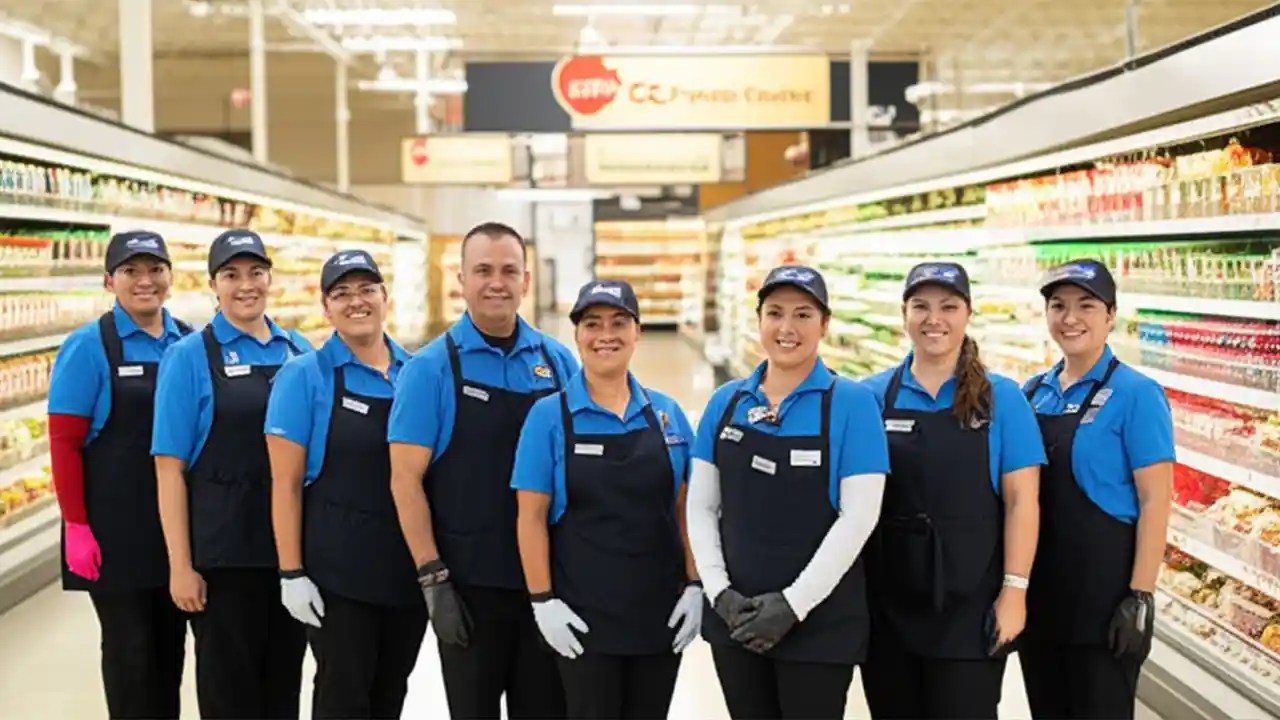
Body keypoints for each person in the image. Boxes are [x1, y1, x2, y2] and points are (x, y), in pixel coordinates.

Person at [388, 222, 579, 719]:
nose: (497, 282)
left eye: (509, 271)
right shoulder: (430, 369)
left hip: (547, 584)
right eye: (483, 270)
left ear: (526, 281)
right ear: (462, 280)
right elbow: (405, 481)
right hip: (469, 587)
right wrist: (434, 581)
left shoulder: (557, 363)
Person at [687, 265, 889, 720]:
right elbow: (701, 507)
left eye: (802, 315)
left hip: (820, 623)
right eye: (775, 313)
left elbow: (859, 517)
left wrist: (793, 604)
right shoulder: (727, 403)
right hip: (735, 618)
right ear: (759, 320)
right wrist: (719, 592)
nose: (787, 328)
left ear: (824, 325)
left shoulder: (851, 404)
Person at [511, 279, 703, 719]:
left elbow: (685, 508)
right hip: (582, 619)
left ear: (637, 332)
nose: (606, 334)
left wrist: (695, 586)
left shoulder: (667, 414)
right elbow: (531, 518)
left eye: (620, 322)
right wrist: (542, 601)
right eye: (592, 323)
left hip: (659, 615)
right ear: (576, 334)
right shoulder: (549, 417)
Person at [859, 261, 1043, 720]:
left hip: (971, 605)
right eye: (920, 306)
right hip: (888, 605)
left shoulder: (1003, 398)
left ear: (967, 314)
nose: (933, 318)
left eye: (948, 306)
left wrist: (1014, 593)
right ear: (904, 314)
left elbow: (1023, 502)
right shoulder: (870, 397)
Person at [151, 229, 313, 720]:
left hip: (290, 554)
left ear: (269, 278)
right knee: (229, 693)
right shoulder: (188, 357)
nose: (246, 285)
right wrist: (181, 564)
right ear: (212, 285)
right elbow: (169, 470)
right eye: (231, 275)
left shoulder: (298, 350)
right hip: (223, 557)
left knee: (283, 685)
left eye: (256, 273)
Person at [265, 250, 425, 719]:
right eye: (342, 293)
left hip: (404, 570)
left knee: (391, 690)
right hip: (338, 573)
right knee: (343, 694)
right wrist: (291, 572)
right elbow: (286, 484)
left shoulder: (417, 373)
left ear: (384, 297)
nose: (357, 302)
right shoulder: (303, 376)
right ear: (326, 306)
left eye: (366, 290)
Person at [47, 230, 193, 719]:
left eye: (155, 269)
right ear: (110, 280)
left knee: (171, 651)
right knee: (131, 654)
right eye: (131, 271)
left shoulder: (190, 342)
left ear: (171, 278)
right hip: (113, 532)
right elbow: (65, 443)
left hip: (176, 532)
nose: (145, 280)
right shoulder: (88, 347)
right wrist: (76, 525)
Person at [1019, 259, 1173, 720]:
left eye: (1086, 305)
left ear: (1110, 316)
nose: (1070, 318)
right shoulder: (1033, 393)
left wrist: (1140, 596)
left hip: (1105, 599)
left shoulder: (1137, 394)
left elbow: (1156, 500)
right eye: (1058, 305)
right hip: (1042, 596)